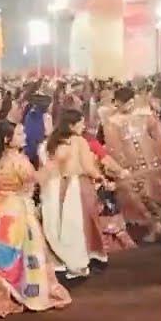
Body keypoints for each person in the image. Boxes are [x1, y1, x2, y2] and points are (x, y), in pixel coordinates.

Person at [0, 121, 73, 317]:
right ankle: (24, 290)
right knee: (23, 254)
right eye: (19, 134)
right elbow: (35, 179)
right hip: (16, 210)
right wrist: (55, 164)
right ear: (8, 139)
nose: (24, 136)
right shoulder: (19, 161)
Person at [38, 109, 105, 279]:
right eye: (81, 123)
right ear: (71, 125)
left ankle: (63, 262)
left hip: (54, 189)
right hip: (75, 186)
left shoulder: (49, 143)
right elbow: (89, 168)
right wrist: (101, 177)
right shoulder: (79, 141)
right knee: (77, 227)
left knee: (59, 227)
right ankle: (81, 262)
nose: (84, 127)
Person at [101, 86, 161, 241]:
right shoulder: (113, 122)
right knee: (143, 198)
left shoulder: (143, 116)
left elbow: (159, 137)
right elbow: (113, 148)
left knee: (151, 196)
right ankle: (155, 227)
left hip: (146, 165)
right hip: (136, 167)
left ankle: (157, 227)